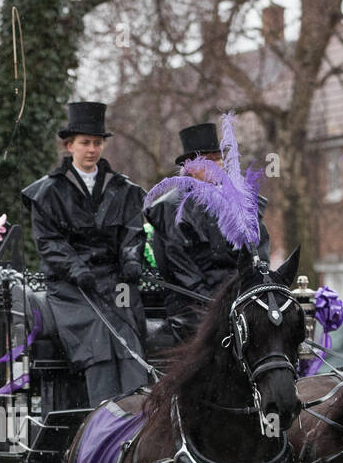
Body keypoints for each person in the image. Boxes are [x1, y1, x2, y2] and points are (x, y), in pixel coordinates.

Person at [21, 102, 149, 406]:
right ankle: (104, 415)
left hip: (114, 282)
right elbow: (49, 241)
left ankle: (140, 414)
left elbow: (133, 231)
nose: (92, 149)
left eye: (97, 143)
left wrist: (131, 260)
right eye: (85, 143)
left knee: (128, 338)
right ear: (70, 146)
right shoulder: (48, 192)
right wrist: (76, 269)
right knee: (98, 339)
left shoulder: (122, 189)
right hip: (71, 287)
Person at [145, 122, 271, 350]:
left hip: (241, 297)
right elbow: (182, 273)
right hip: (192, 305)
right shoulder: (170, 209)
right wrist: (221, 305)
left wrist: (247, 293)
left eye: (218, 159)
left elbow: (258, 255)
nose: (216, 166)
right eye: (208, 161)